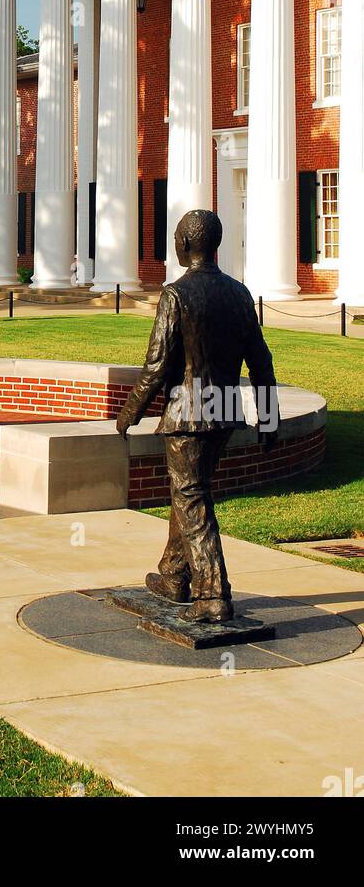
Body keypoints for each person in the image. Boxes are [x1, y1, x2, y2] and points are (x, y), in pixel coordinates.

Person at [116, 209, 277, 622]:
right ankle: (174, 574)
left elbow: (156, 367)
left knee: (191, 497)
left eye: (175, 238)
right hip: (223, 412)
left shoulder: (175, 295)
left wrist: (129, 413)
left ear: (185, 244)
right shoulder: (240, 294)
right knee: (189, 489)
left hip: (189, 413)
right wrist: (268, 418)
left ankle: (212, 594)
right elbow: (261, 358)